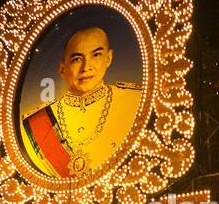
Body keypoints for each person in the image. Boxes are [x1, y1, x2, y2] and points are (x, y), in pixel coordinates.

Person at [18, 25, 142, 177]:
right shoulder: (35, 121)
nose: (86, 67)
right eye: (77, 59)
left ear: (109, 58)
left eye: (96, 55)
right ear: (63, 69)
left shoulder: (136, 99)